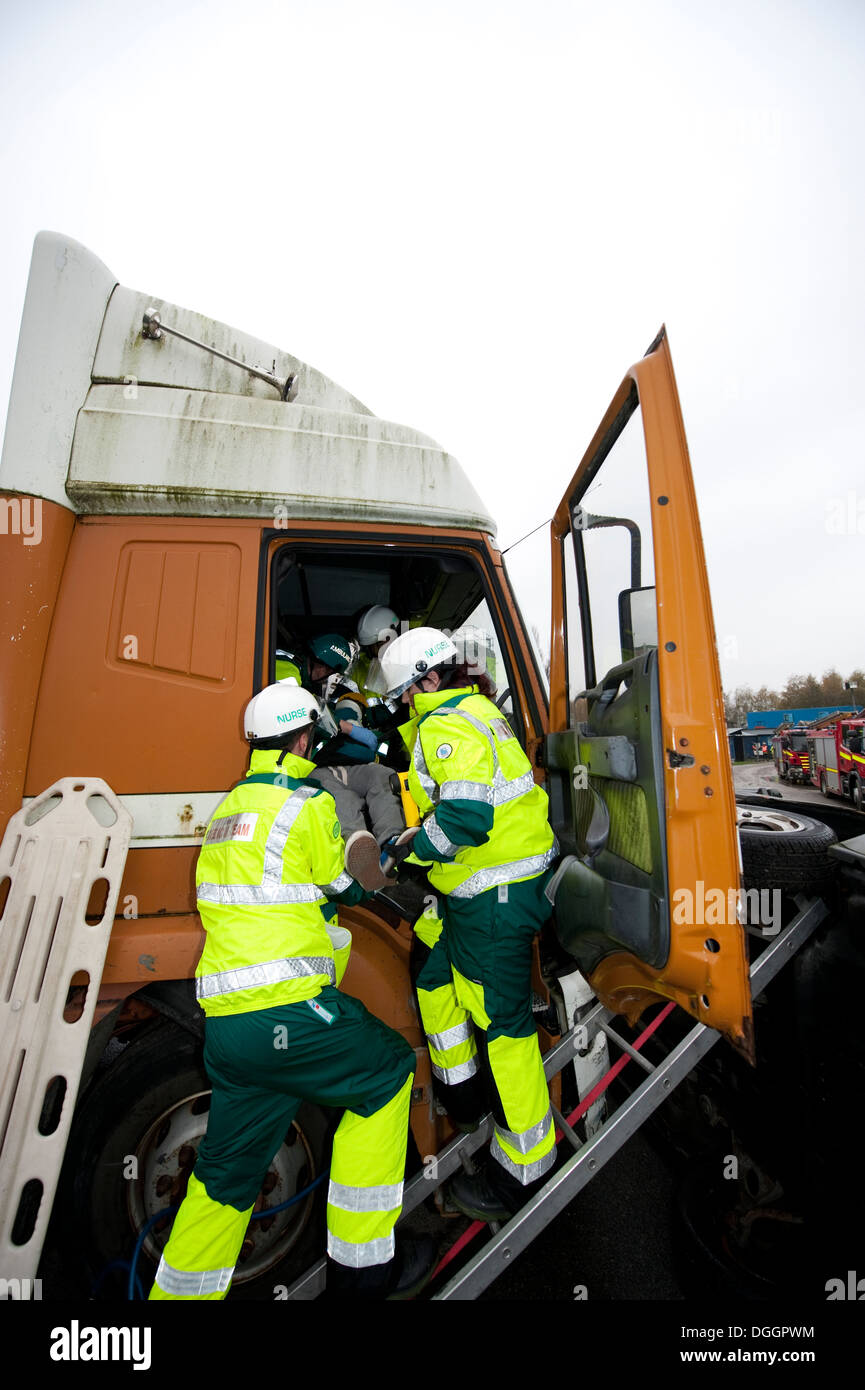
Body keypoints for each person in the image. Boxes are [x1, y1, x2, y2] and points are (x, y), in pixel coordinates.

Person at [148, 681, 433, 1300]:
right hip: (289, 1013)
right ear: (304, 738)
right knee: (385, 1074)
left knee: (224, 1177)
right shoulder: (306, 806)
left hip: (228, 1028)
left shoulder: (224, 813)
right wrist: (379, 880)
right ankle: (364, 1273)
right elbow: (343, 884)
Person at [377, 626, 560, 1221]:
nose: (405, 705)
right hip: (479, 888)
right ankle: (467, 1100)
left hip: (493, 892)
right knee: (432, 975)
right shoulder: (474, 710)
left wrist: (409, 853)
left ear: (427, 681)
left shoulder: (445, 723)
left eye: (406, 694)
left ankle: (524, 1173)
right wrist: (415, 841)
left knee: (501, 1026)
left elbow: (464, 819)